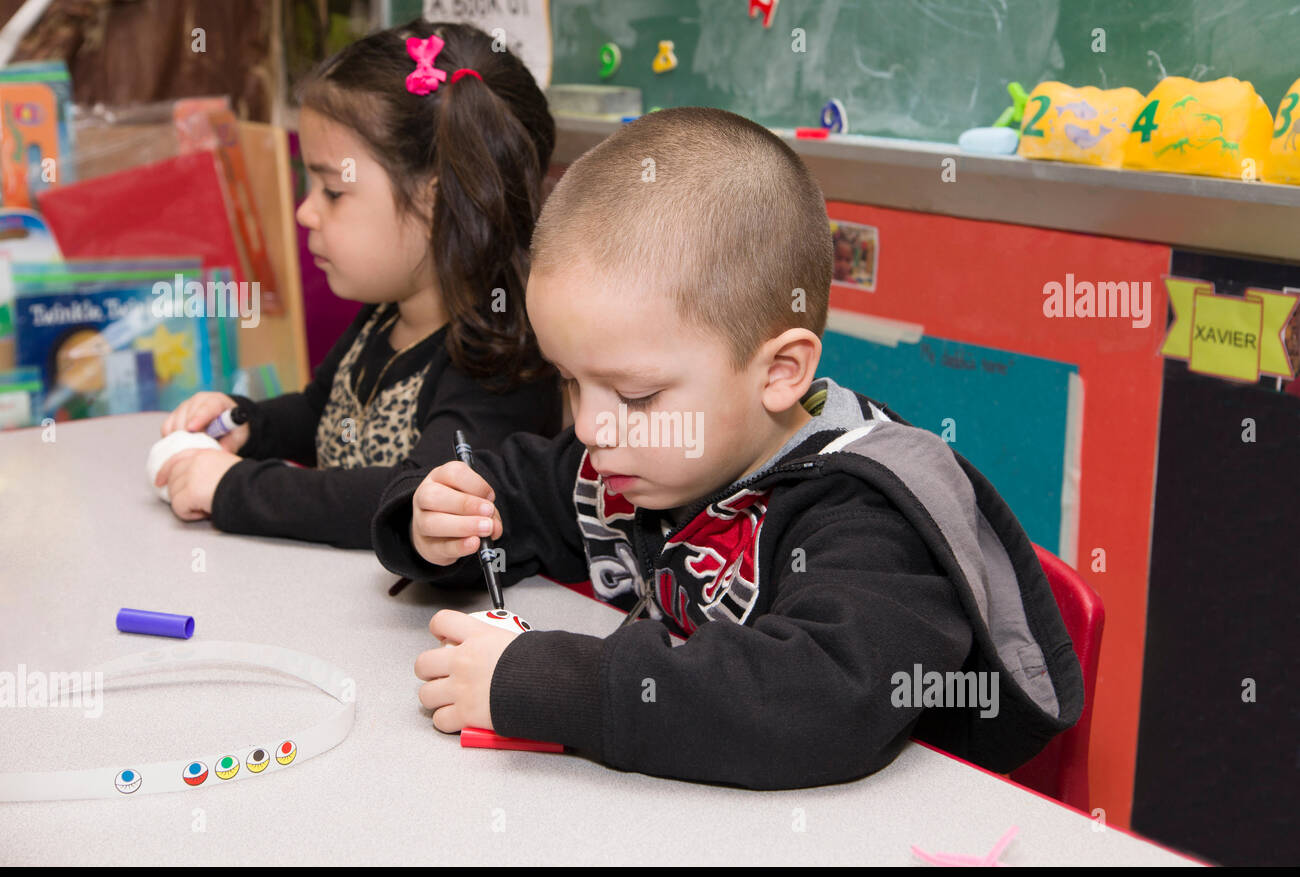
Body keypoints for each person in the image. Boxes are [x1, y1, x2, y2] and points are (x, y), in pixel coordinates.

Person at [374, 107, 1083, 789]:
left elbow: (816, 705)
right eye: (570, 382)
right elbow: (508, 492)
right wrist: (434, 520)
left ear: (779, 373)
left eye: (636, 394)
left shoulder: (867, 518)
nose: (590, 428)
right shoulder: (640, 459)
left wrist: (544, 681)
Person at [155, 20, 561, 548]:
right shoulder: (385, 315)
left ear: (435, 202)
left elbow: (406, 497)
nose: (304, 213)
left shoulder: (501, 360)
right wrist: (248, 423)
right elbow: (319, 412)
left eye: (332, 191)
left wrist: (234, 488)